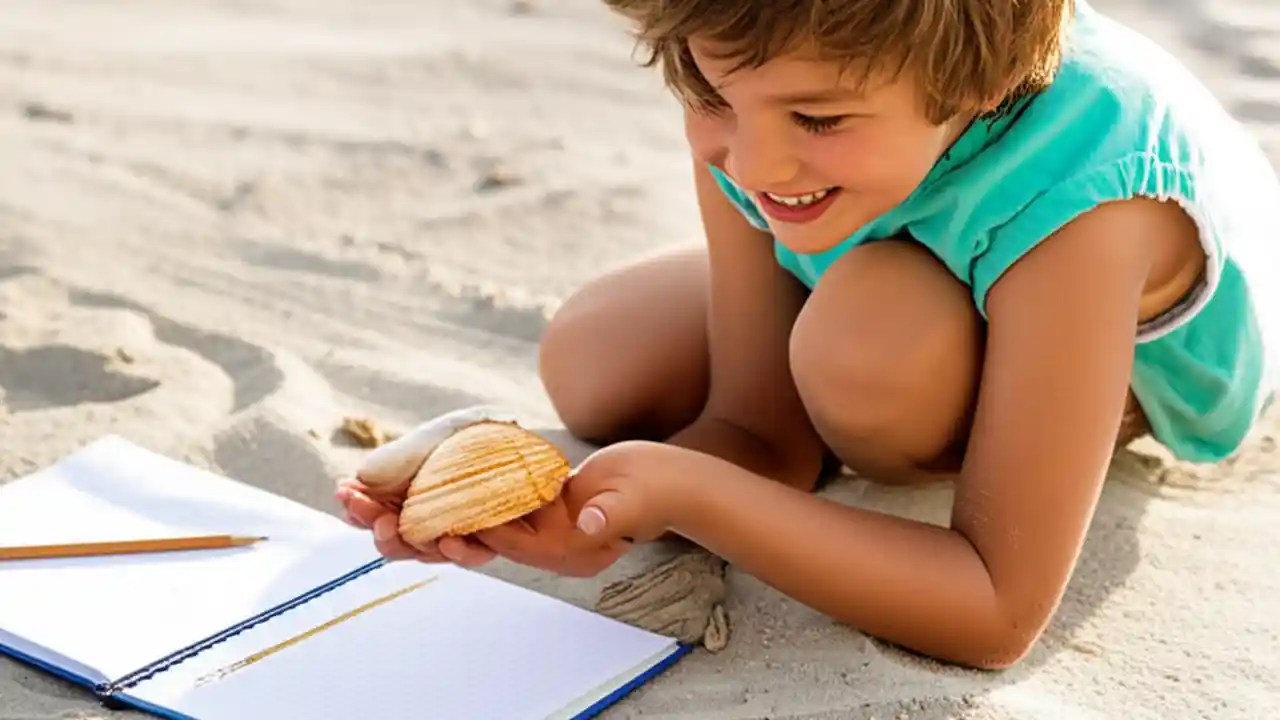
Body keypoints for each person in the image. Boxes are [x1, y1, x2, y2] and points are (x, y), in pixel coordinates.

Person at [336, 0, 1279, 668]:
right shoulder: (753, 61)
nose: (749, 162)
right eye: (711, 97)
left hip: (1105, 324)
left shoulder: (1090, 202)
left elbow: (992, 608)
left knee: (864, 349)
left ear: (976, 83)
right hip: (902, 211)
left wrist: (690, 491)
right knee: (593, 360)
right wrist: (592, 513)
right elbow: (756, 432)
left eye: (817, 118)